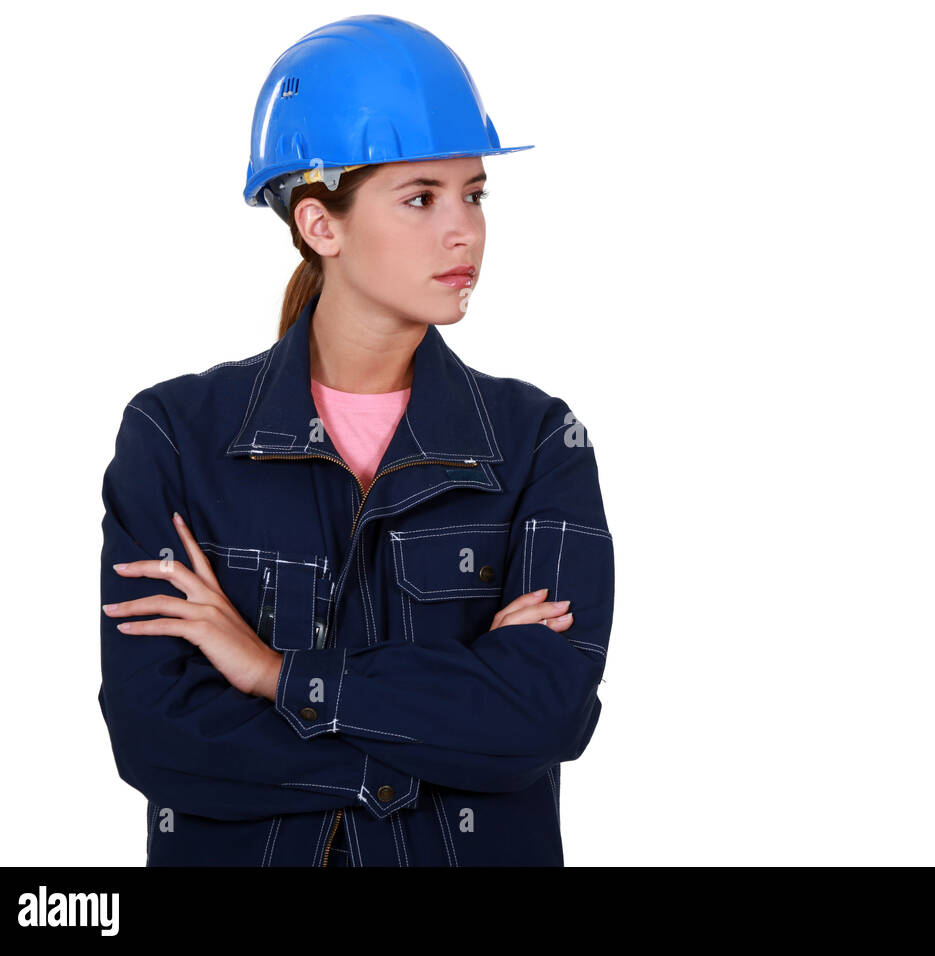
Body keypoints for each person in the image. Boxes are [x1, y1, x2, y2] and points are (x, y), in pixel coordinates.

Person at [97, 15, 614, 867]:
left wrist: (274, 675)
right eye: (422, 197)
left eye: (474, 194)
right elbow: (157, 739)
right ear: (319, 224)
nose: (465, 232)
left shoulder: (537, 444)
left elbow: (548, 716)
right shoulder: (175, 438)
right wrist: (456, 722)